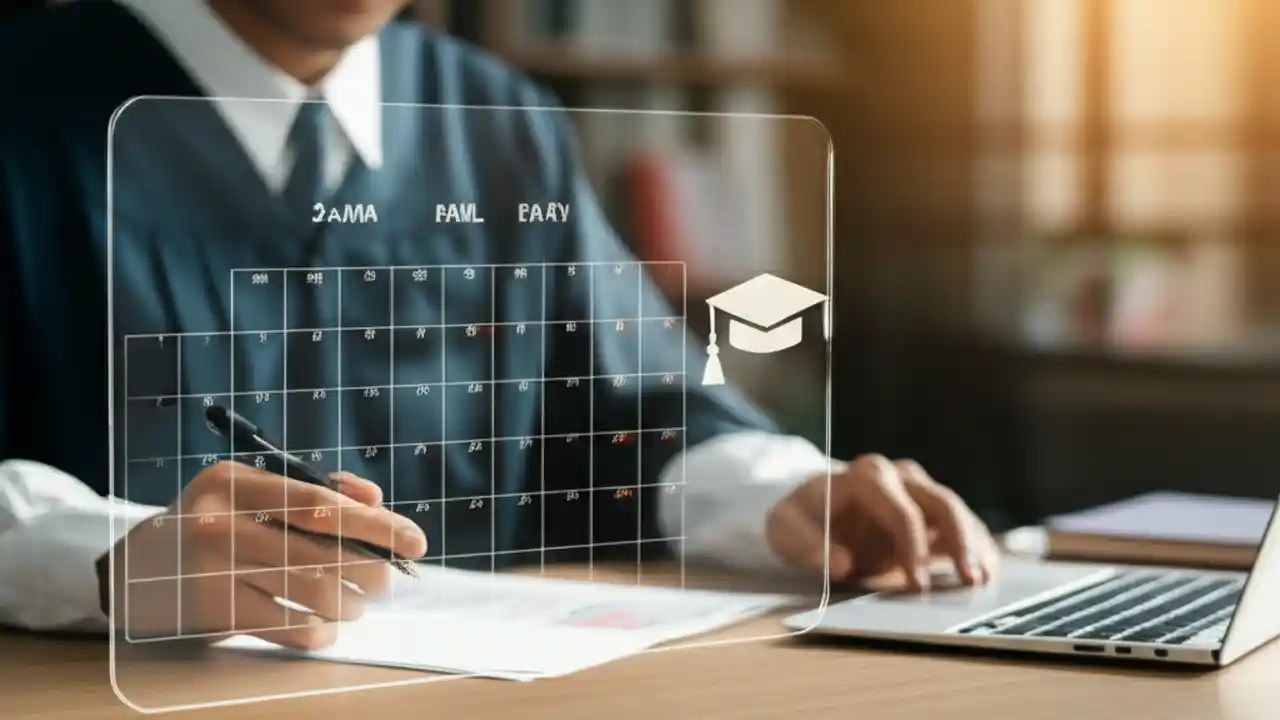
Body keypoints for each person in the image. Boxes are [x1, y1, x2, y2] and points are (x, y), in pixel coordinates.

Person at [0, 0, 999, 651]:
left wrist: (787, 495)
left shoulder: (496, 123)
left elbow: (629, 407)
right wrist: (106, 559)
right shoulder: (22, 103)